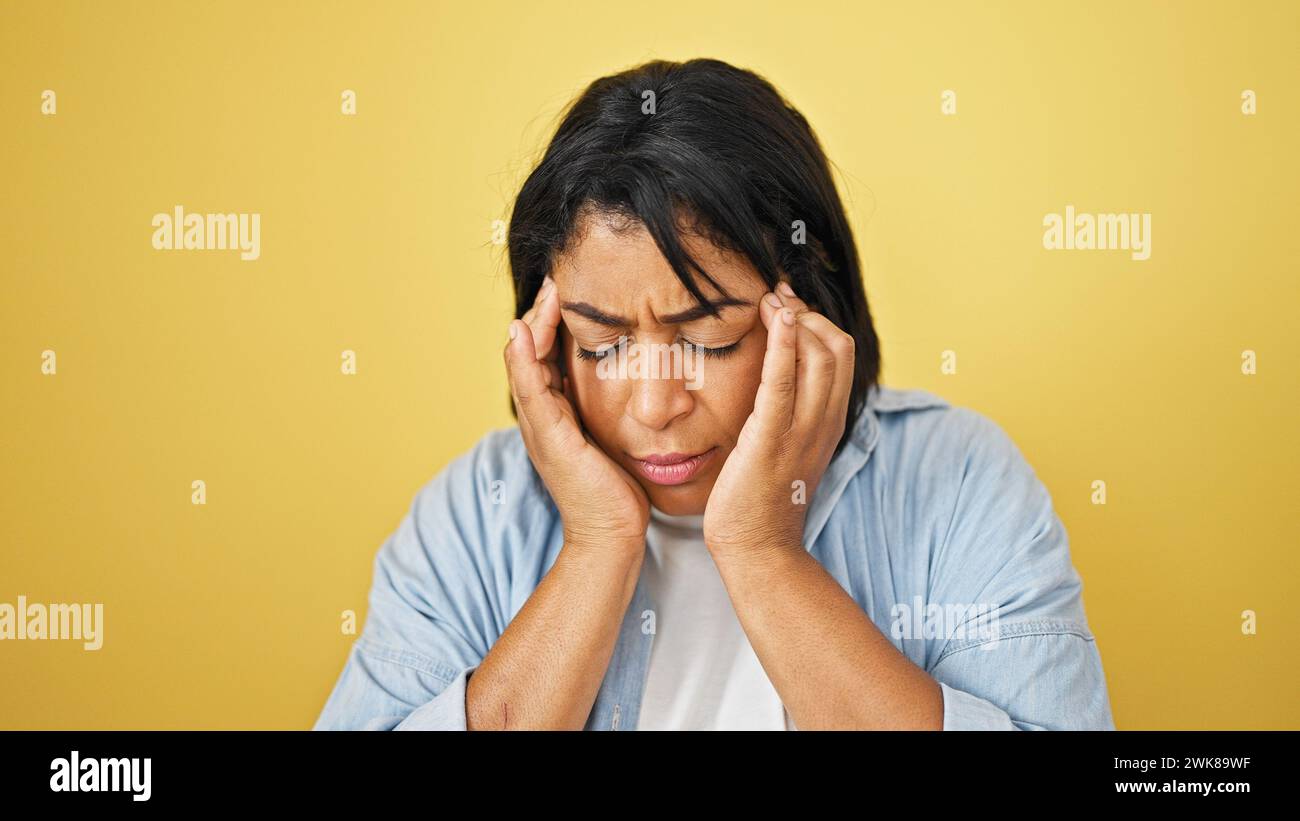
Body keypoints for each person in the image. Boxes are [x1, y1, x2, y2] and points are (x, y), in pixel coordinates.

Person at [313, 57, 1115, 731]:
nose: (656, 405)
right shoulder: (473, 515)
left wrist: (765, 553)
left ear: (806, 310)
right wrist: (596, 547)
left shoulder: (959, 479)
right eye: (603, 342)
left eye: (709, 340)